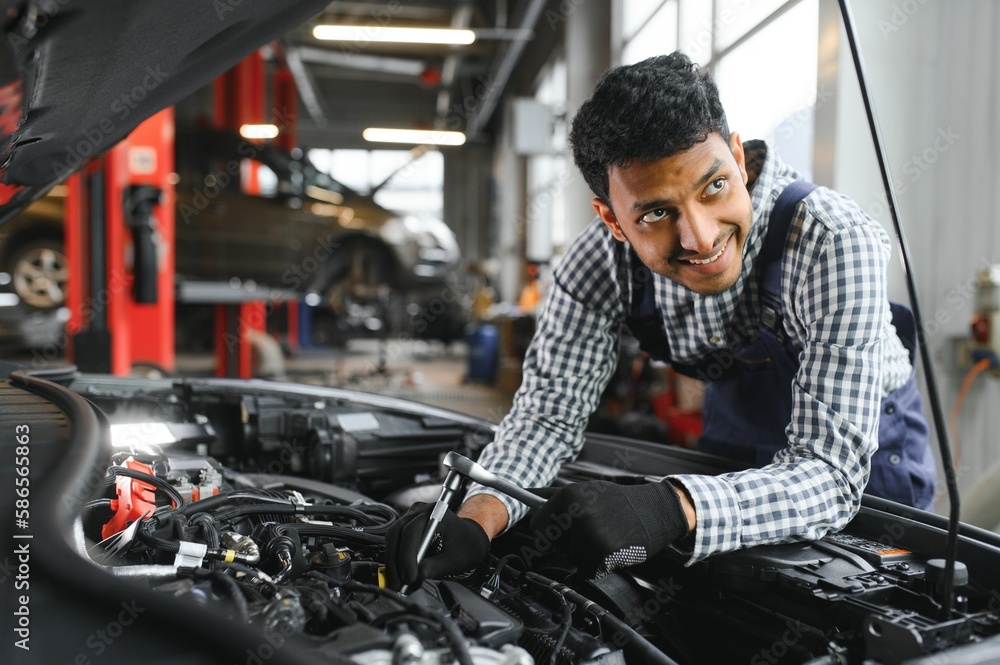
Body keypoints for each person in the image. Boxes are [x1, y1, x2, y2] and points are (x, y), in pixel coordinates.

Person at [385, 51, 937, 589]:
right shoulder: (598, 266)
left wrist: (673, 504)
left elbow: (832, 475)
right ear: (612, 219)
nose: (700, 237)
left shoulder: (833, 242)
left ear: (739, 160)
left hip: (870, 475)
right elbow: (547, 420)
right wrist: (475, 518)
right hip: (736, 451)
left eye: (714, 186)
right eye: (656, 213)